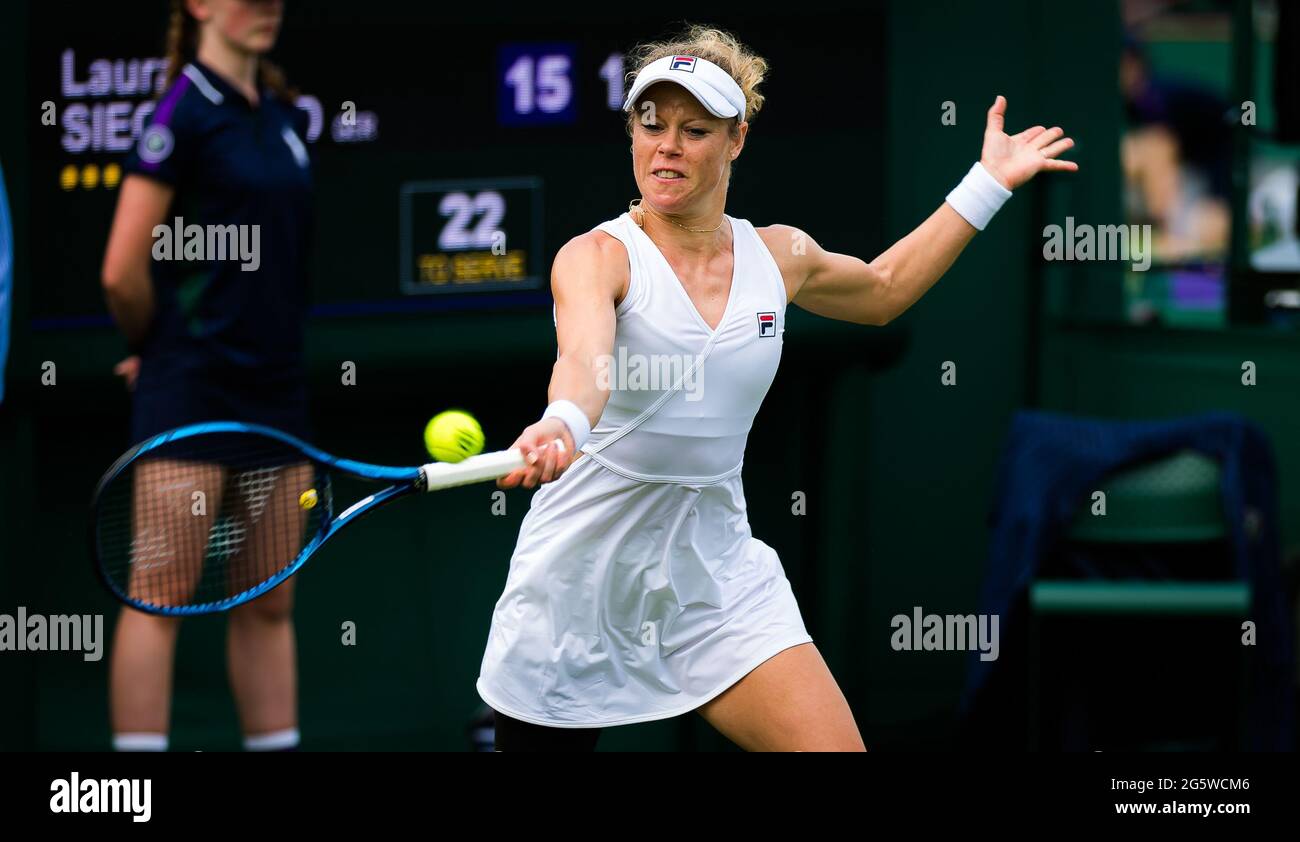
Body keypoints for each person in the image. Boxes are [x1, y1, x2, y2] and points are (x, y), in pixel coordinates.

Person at [478, 25, 1076, 751]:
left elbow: (884, 289)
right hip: (575, 587)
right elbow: (585, 361)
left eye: (694, 129)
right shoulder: (597, 257)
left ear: (736, 141)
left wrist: (987, 183)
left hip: (717, 579)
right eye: (650, 124)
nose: (666, 145)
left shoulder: (780, 255)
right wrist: (564, 422)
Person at [100, 0, 312, 752]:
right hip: (191, 391)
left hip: (278, 397)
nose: (265, 9)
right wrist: (158, 347)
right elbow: (122, 269)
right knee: (158, 596)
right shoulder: (182, 114)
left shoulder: (284, 115)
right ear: (199, 5)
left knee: (267, 601)